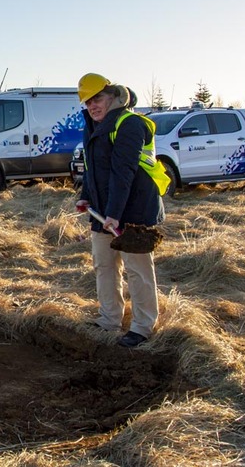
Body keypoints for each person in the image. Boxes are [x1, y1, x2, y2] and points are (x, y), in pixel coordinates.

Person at [75, 73, 170, 348]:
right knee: (104, 265)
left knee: (137, 270)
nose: (93, 106)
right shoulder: (92, 126)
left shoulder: (131, 124)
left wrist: (115, 214)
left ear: (114, 96)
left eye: (98, 99)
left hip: (135, 209)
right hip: (103, 210)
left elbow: (123, 172)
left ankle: (142, 326)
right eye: (88, 102)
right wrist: (86, 197)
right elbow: (94, 169)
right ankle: (109, 319)